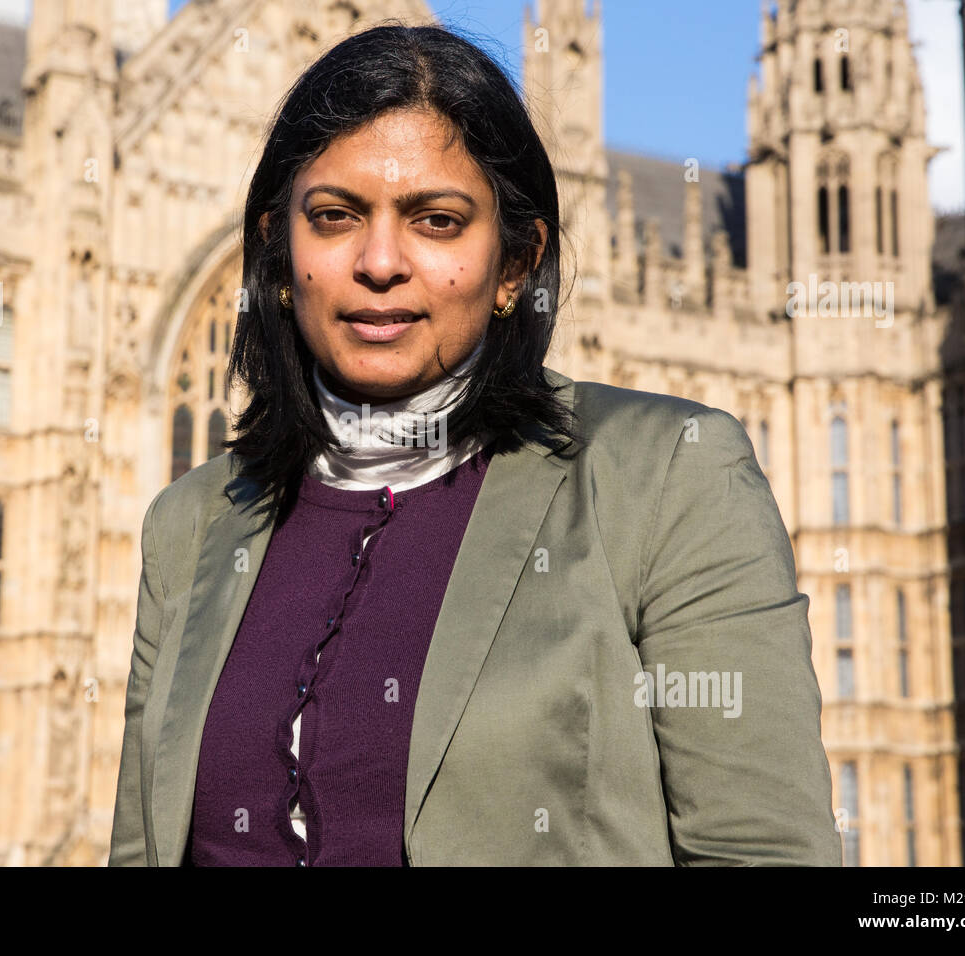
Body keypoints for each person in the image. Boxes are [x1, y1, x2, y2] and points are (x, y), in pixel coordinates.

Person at [109, 22, 839, 866]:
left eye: (438, 220)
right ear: (279, 252)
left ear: (515, 265)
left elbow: (765, 851)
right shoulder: (190, 525)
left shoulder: (664, 476)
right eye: (336, 216)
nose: (380, 261)